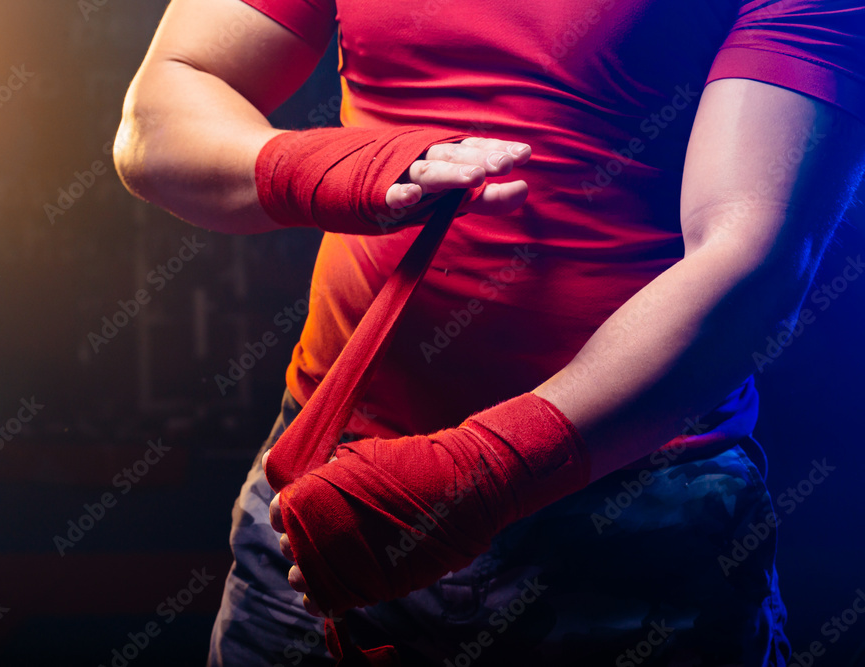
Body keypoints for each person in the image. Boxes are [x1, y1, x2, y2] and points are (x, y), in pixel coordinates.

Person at [114, 0, 865, 664]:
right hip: (331, 489)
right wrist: (329, 165)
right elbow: (160, 117)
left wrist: (481, 475)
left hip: (627, 520)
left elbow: (756, 260)